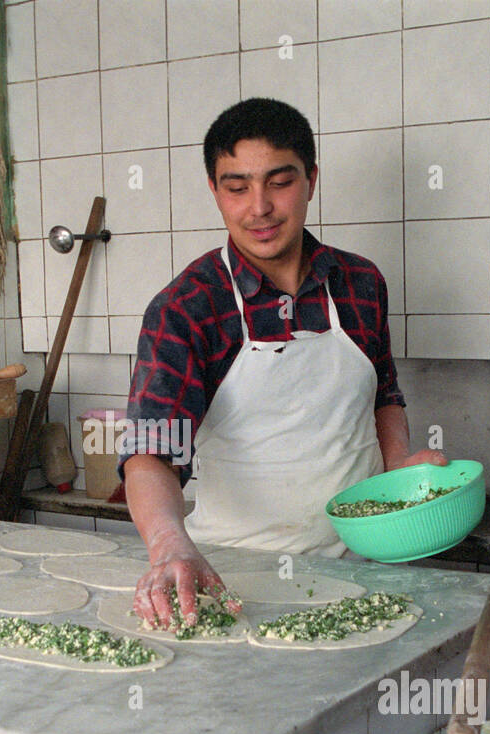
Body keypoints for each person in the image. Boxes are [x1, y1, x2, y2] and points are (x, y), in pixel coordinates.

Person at [118, 98, 445, 628]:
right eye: (237, 187)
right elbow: (151, 451)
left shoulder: (361, 284)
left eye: (279, 182)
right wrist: (169, 544)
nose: (260, 208)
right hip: (235, 582)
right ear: (214, 190)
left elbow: (383, 395)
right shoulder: (188, 308)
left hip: (366, 574)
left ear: (311, 179)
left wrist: (398, 468)